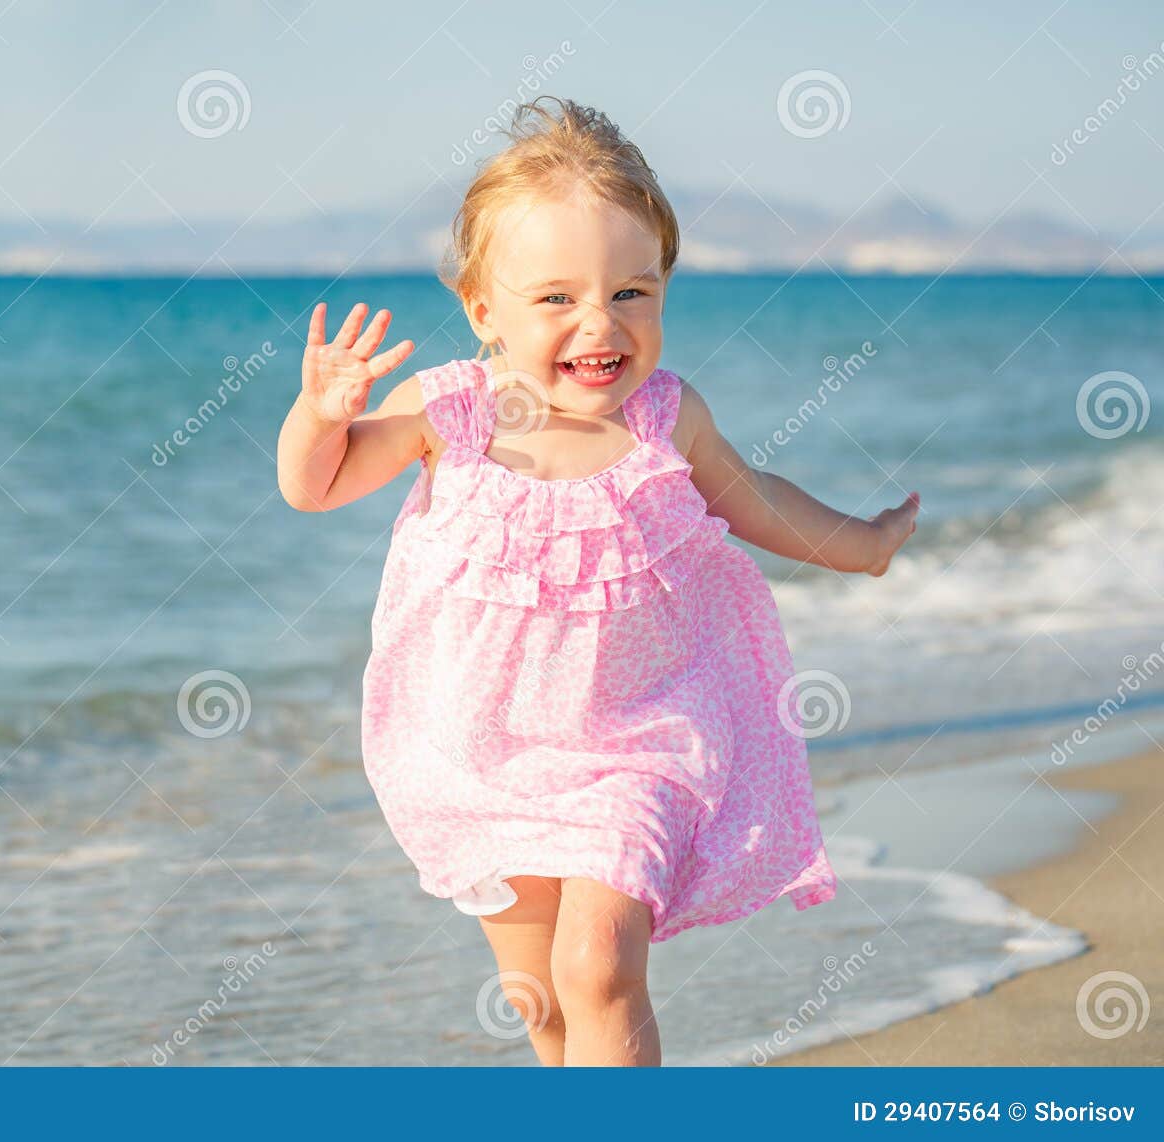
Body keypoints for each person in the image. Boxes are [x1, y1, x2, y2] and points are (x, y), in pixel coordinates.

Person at [275, 96, 920, 1067]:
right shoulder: (449, 410)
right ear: (481, 309)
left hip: (642, 738)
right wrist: (319, 417)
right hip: (483, 749)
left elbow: (754, 502)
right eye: (556, 298)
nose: (599, 324)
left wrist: (860, 542)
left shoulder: (664, 418)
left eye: (632, 292)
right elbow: (314, 486)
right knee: (538, 1000)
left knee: (597, 969)